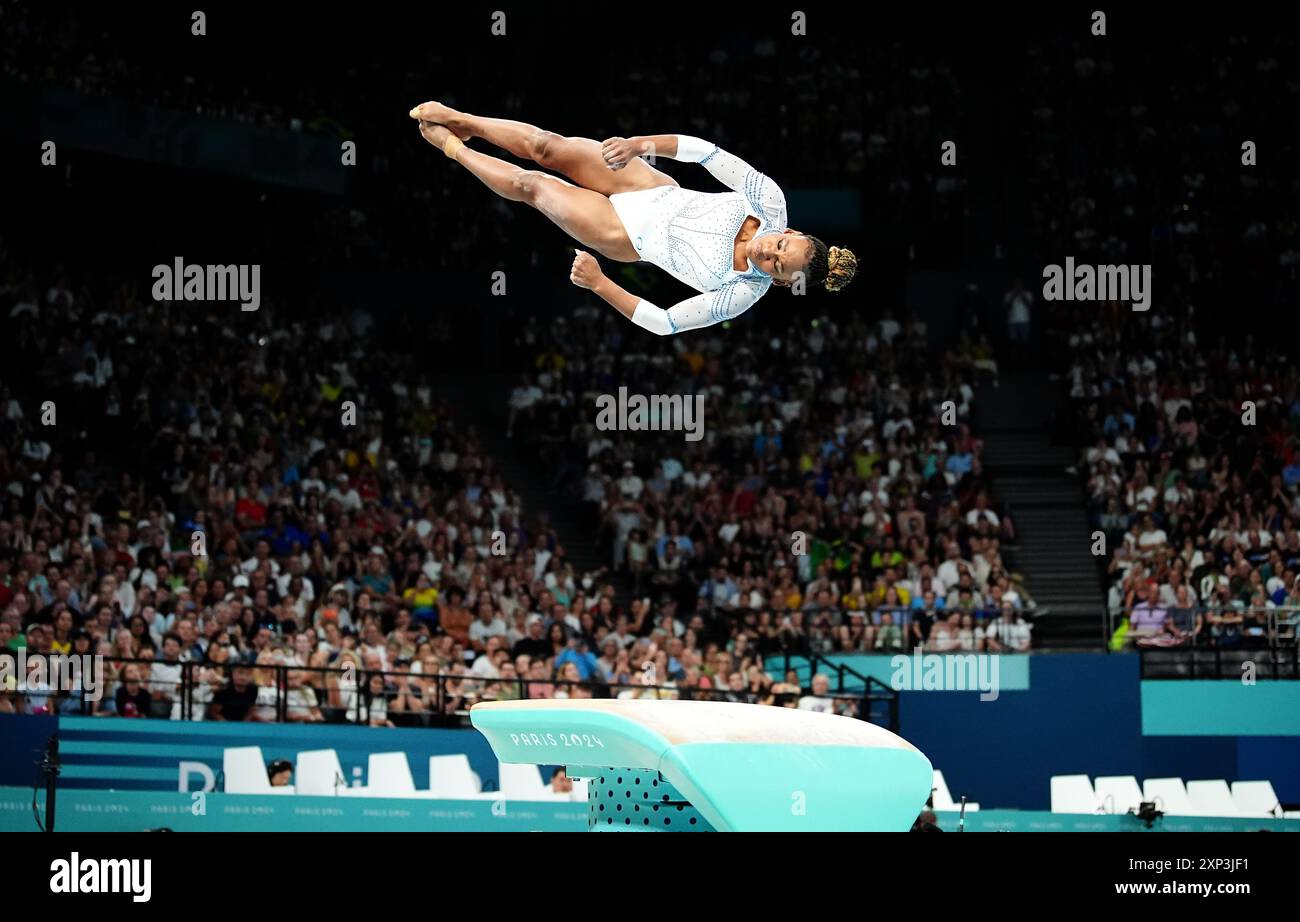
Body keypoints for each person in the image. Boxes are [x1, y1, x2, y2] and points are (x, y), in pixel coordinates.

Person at [410, 102, 857, 336]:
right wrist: (639, 144)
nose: (768, 250)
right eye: (781, 245)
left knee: (534, 186)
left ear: (779, 281)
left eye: (777, 265)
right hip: (648, 186)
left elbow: (664, 322)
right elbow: (706, 153)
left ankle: (455, 148)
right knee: (548, 146)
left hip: (625, 234)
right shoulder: (770, 200)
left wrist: (600, 283)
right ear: (790, 232)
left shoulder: (740, 295)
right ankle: (463, 119)